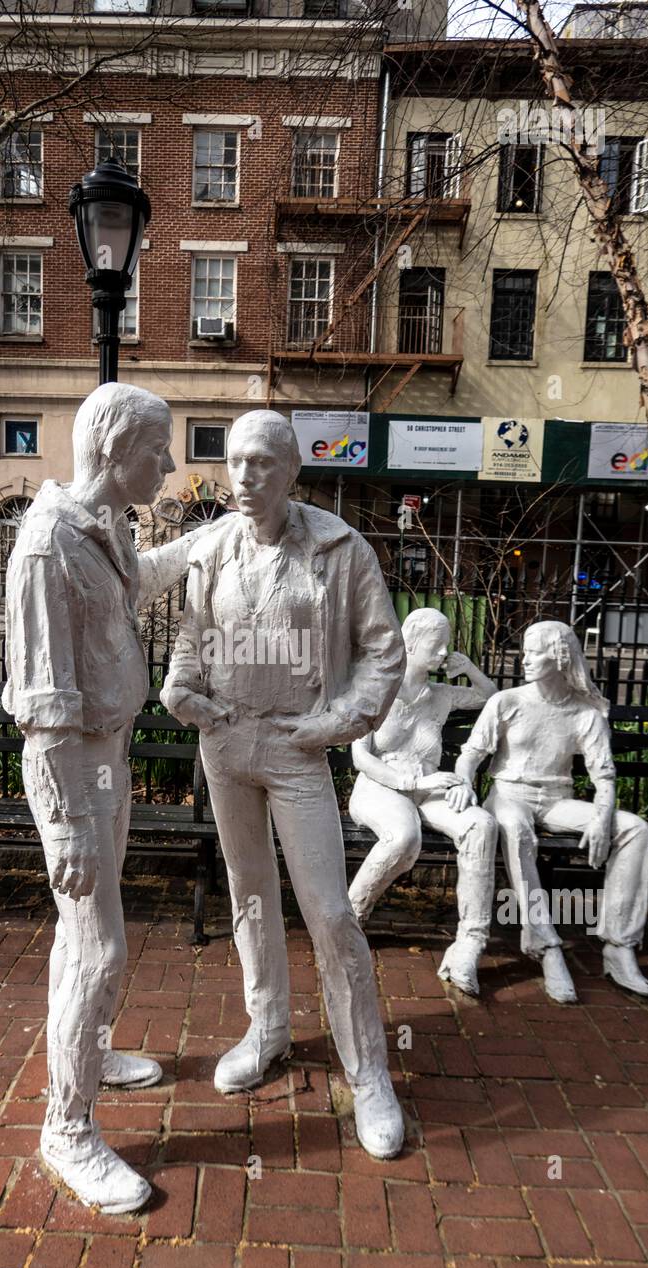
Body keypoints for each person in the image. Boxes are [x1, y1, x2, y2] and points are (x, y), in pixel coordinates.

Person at [161, 409, 408, 1159]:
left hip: (301, 745)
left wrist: (339, 723)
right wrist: (180, 689)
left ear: (292, 470)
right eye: (236, 461)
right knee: (249, 893)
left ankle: (368, 1071)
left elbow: (384, 652)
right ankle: (267, 1025)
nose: (245, 477)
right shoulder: (211, 551)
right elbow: (191, 642)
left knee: (330, 912)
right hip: (226, 743)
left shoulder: (338, 547)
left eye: (263, 462)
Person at [3, 382, 201, 1215]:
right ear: (115, 450)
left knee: (80, 942)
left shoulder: (104, 529)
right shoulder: (47, 546)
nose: (167, 463)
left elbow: (137, 585)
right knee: (100, 949)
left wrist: (209, 542)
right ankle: (69, 1127)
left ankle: (89, 1051)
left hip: (108, 759)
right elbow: (45, 708)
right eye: (157, 450)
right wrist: (69, 824)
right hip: (73, 769)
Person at [453, 620, 648, 1003]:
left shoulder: (585, 713)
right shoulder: (507, 701)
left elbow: (604, 776)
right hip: (509, 795)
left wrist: (600, 817)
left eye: (533, 652)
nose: (524, 659)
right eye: (525, 651)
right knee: (514, 828)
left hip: (557, 800)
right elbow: (471, 756)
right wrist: (464, 783)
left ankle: (619, 946)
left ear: (560, 657)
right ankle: (546, 946)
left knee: (635, 829)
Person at [347, 608, 498, 997]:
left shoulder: (442, 695)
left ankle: (469, 944)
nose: (445, 650)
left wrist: (469, 669)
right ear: (411, 643)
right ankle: (348, 922)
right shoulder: (377, 688)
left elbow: (493, 700)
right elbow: (360, 757)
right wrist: (412, 780)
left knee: (480, 825)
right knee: (403, 837)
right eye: (439, 642)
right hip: (380, 786)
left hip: (430, 788)